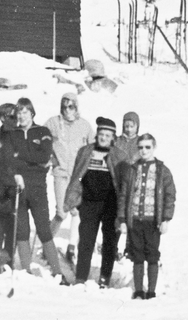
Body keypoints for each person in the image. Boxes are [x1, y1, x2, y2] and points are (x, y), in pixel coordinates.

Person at [0, 97, 73, 283]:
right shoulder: (12, 134)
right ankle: (26, 270)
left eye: (25, 112)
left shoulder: (42, 131)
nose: (21, 116)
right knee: (22, 231)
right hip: (18, 187)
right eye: (18, 113)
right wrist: (27, 158)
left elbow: (44, 155)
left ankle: (57, 272)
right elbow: (9, 160)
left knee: (43, 229)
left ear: (32, 113)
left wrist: (20, 155)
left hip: (37, 187)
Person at [62, 116, 121, 287]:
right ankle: (81, 277)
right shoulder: (86, 151)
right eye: (101, 134)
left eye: (107, 135)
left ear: (113, 137)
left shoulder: (119, 155)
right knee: (86, 240)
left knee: (110, 242)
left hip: (111, 204)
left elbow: (123, 183)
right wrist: (73, 201)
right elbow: (76, 177)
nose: (103, 138)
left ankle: (104, 277)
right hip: (89, 203)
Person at [117, 134, 176, 300]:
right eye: (141, 147)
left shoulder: (162, 170)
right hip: (135, 218)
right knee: (137, 254)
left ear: (153, 148)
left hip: (152, 221)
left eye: (147, 147)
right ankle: (138, 290)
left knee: (152, 254)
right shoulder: (132, 169)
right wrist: (122, 219)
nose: (143, 151)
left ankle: (151, 290)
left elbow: (170, 195)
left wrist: (165, 218)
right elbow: (124, 195)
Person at [46, 92, 92, 264]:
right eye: (64, 106)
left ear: (76, 107)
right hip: (61, 172)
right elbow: (41, 141)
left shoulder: (84, 125)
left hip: (78, 174)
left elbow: (93, 147)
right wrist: (51, 158)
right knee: (61, 212)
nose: (67, 110)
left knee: (76, 211)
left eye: (71, 106)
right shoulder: (53, 122)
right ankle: (47, 244)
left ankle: (72, 247)